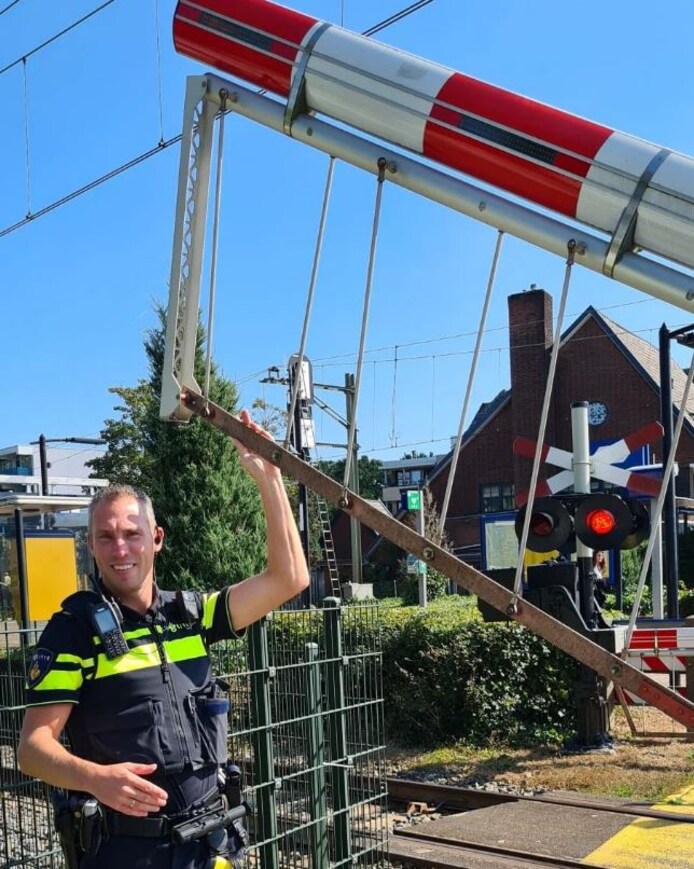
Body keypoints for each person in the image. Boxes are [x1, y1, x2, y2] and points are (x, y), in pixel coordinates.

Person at [17, 409, 309, 869]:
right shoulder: (73, 631)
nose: (120, 549)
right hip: (130, 853)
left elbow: (288, 578)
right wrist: (95, 778)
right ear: (90, 546)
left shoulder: (191, 615)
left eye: (132, 534)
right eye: (106, 537)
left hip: (212, 843)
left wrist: (269, 477)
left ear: (156, 539)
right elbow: (34, 749)